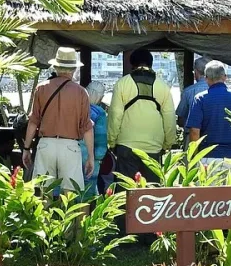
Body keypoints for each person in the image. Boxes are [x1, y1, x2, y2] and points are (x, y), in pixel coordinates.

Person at [22, 48, 94, 193]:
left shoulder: (41, 88)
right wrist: (91, 157)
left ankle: (45, 216)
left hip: (45, 144)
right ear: (74, 69)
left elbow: (33, 122)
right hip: (70, 146)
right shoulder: (81, 92)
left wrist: (26, 148)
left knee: (44, 192)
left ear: (55, 66)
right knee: (70, 195)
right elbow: (87, 127)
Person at [107, 48, 176, 184]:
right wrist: (167, 144)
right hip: (154, 147)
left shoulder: (122, 84)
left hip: (126, 146)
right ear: (151, 63)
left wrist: (112, 141)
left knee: (125, 194)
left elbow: (115, 116)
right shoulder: (163, 86)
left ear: (132, 63)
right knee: (151, 194)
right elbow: (169, 118)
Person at [185, 60, 231, 162]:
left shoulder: (200, 99)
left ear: (206, 78)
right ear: (225, 77)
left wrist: (194, 157)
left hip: (207, 155)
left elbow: (194, 132)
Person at [81, 81, 108, 197]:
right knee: (88, 190)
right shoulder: (100, 113)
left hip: (73, 154)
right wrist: (99, 156)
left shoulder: (78, 107)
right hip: (91, 157)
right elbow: (101, 139)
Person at [176, 55, 209, 128]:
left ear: (196, 72)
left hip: (191, 135)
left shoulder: (188, 92)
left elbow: (180, 120)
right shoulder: (218, 91)